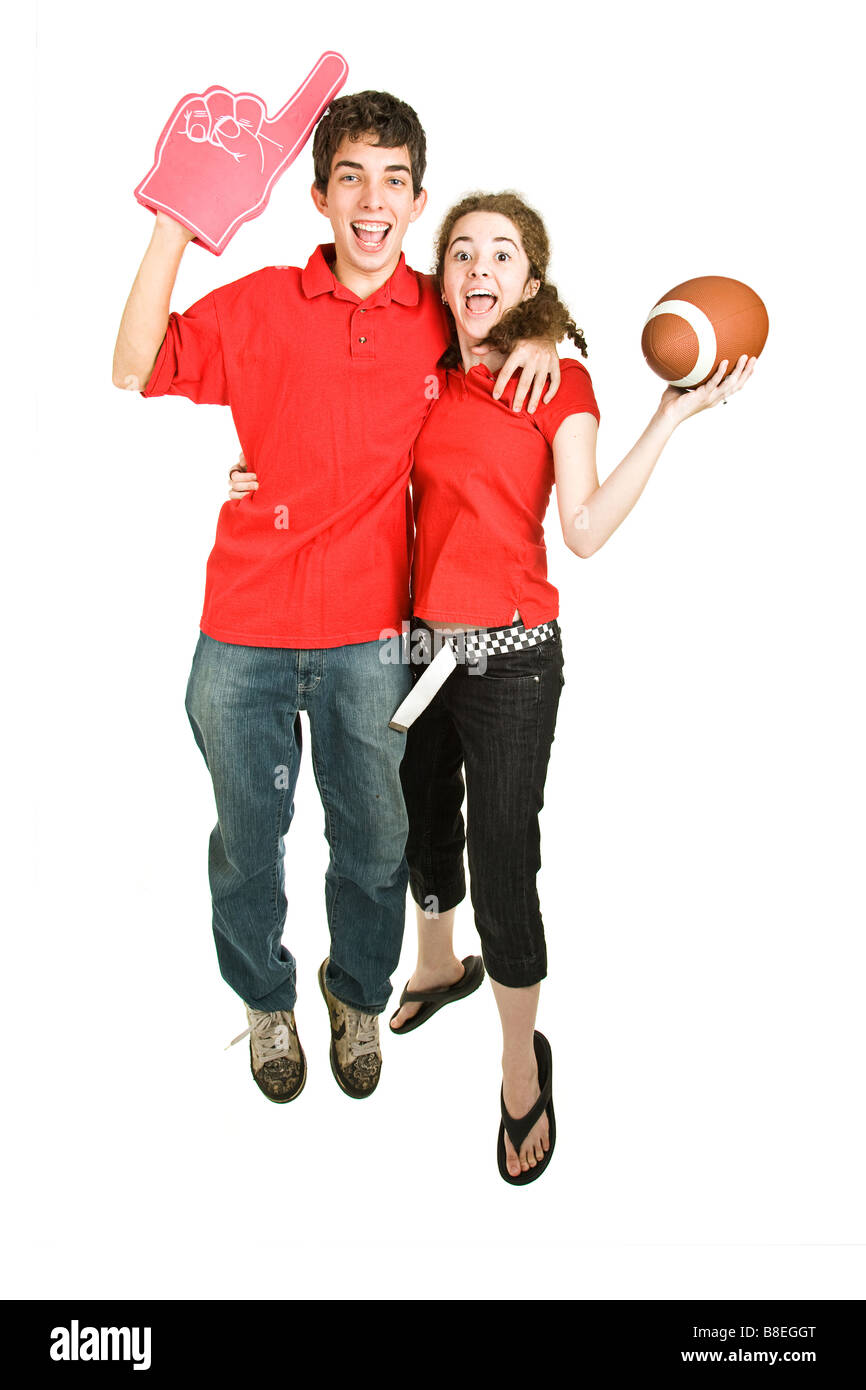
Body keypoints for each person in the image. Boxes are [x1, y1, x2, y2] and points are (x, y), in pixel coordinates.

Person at [234, 191, 754, 1182]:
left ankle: (522, 1064)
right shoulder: (417, 367)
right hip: (416, 647)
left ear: (528, 280)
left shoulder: (555, 384)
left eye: (502, 255)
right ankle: (437, 964)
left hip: (511, 656)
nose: (478, 266)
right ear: (442, 276)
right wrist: (270, 471)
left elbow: (588, 529)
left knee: (503, 863)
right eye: (461, 250)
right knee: (410, 815)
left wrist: (666, 415)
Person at [111, 91, 559, 1106]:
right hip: (243, 633)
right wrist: (175, 218)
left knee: (375, 842)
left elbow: (504, 308)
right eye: (350, 175)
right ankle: (266, 997)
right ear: (317, 195)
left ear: (416, 199)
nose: (371, 199)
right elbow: (134, 363)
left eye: (393, 179)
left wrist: (539, 336)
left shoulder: (434, 318)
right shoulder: (263, 302)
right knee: (246, 842)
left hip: (369, 638)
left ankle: (356, 992)